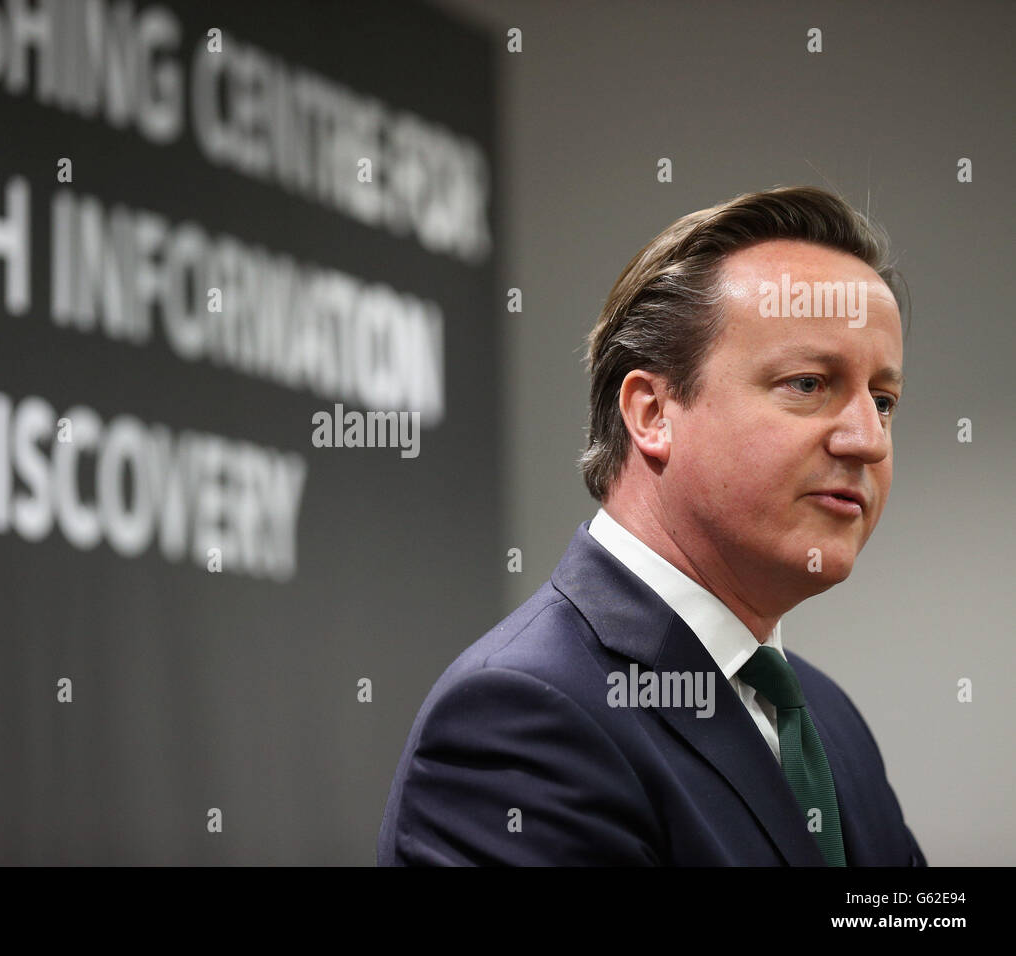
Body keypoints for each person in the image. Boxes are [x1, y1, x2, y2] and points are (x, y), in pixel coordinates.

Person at [377, 186, 927, 865]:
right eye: (809, 384)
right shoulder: (521, 716)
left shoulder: (826, 719)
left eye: (884, 401)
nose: (867, 439)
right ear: (651, 413)